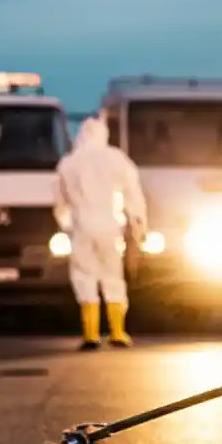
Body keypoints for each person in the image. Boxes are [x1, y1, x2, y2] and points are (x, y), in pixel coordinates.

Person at [54, 116, 148, 351]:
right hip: (110, 228)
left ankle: (91, 335)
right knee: (113, 276)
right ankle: (117, 332)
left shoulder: (68, 163)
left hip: (81, 228)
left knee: (84, 276)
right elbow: (133, 194)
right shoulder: (117, 159)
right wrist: (138, 224)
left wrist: (67, 225)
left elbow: (60, 203)